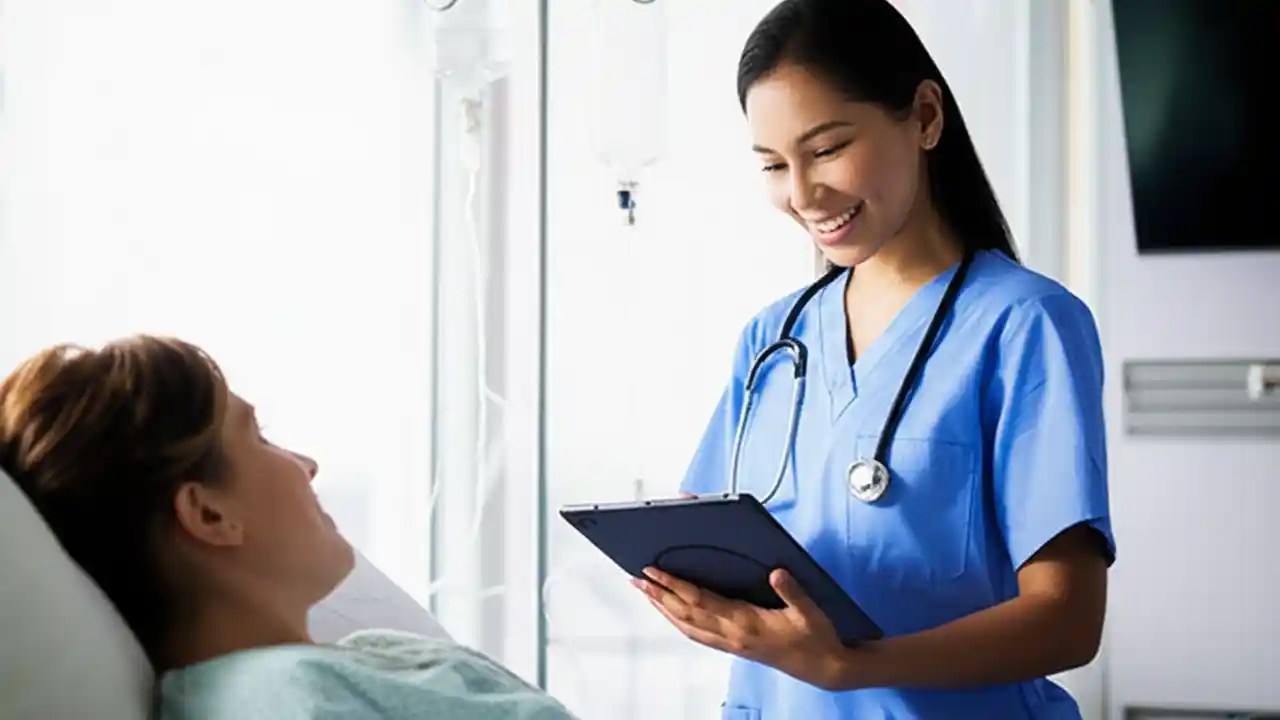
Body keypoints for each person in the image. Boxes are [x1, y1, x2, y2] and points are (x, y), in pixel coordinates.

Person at [630, 0, 1115, 717]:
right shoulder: (773, 342)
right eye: (772, 164)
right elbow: (719, 548)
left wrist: (851, 667)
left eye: (826, 150)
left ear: (924, 117)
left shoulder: (1024, 326)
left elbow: (1068, 619)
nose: (801, 194)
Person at [0, 336, 576, 720]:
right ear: (208, 515)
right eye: (261, 436)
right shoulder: (280, 701)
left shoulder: (373, 655)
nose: (307, 465)